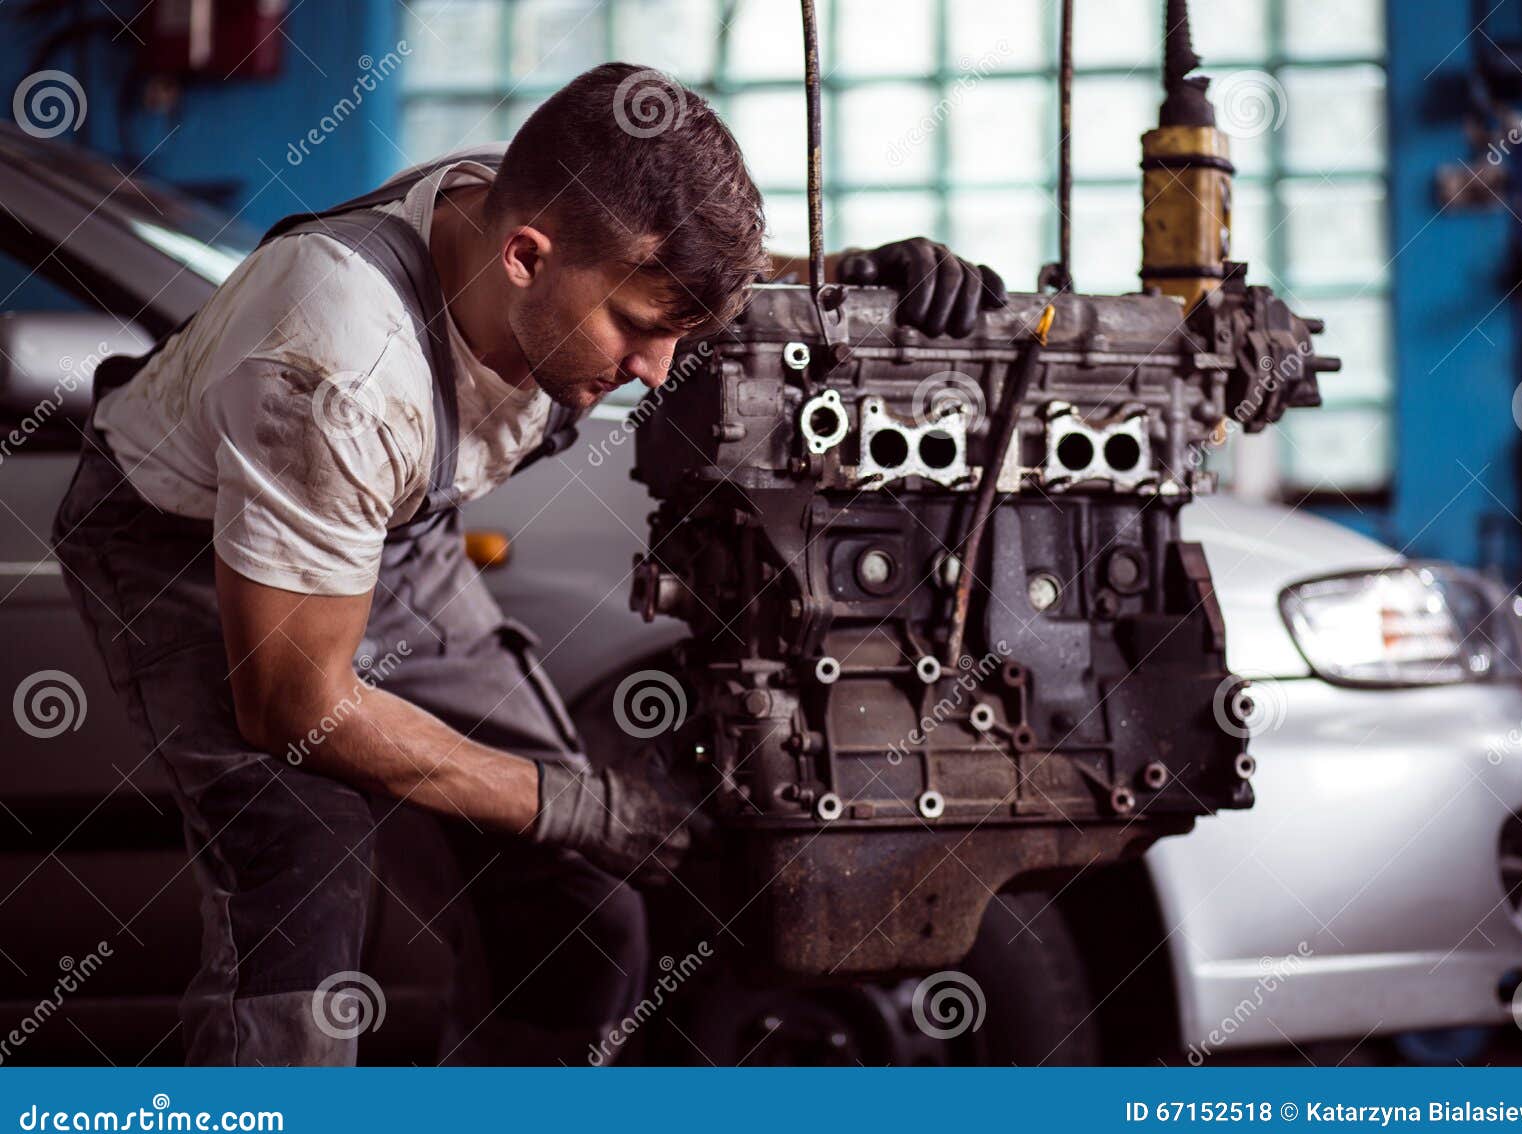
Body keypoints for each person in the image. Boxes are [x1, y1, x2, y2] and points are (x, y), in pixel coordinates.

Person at [51, 62, 1007, 1065]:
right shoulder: (337, 367)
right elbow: (296, 704)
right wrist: (582, 801)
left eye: (673, 333)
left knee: (578, 914)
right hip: (192, 549)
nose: (654, 370)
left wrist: (853, 277)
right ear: (523, 257)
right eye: (638, 331)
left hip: (393, 535)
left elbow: (654, 268)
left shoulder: (552, 216)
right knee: (301, 904)